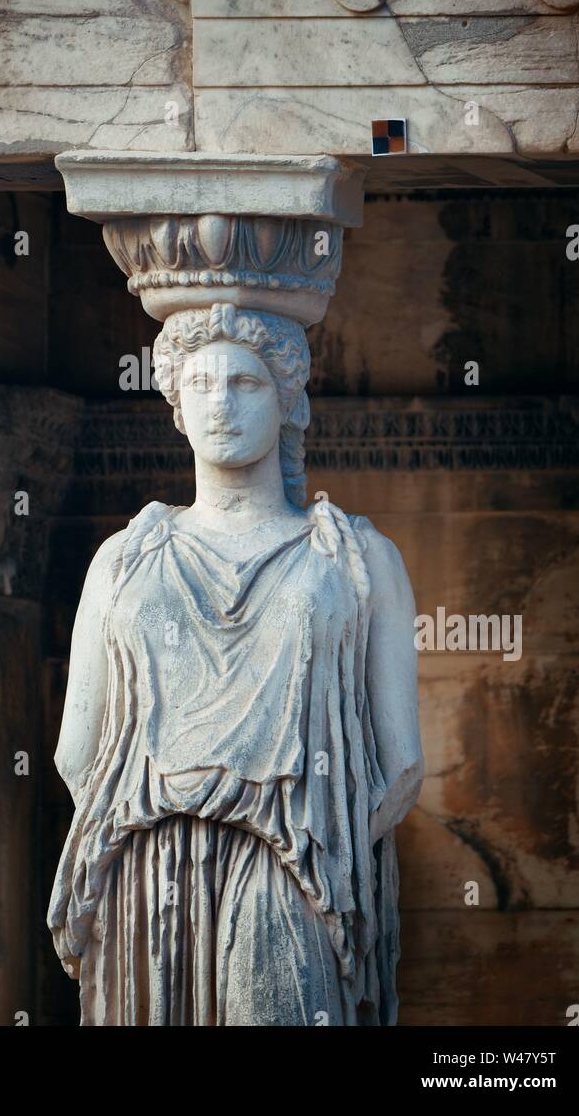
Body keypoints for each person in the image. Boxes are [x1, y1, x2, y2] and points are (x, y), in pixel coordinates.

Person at [49, 302, 424, 1026]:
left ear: (288, 399)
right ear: (177, 409)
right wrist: (155, 829)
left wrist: (320, 843)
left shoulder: (353, 557)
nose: (221, 404)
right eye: (201, 385)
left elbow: (400, 764)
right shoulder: (125, 559)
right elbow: (76, 751)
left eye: (246, 384)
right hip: (148, 866)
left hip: (298, 865)